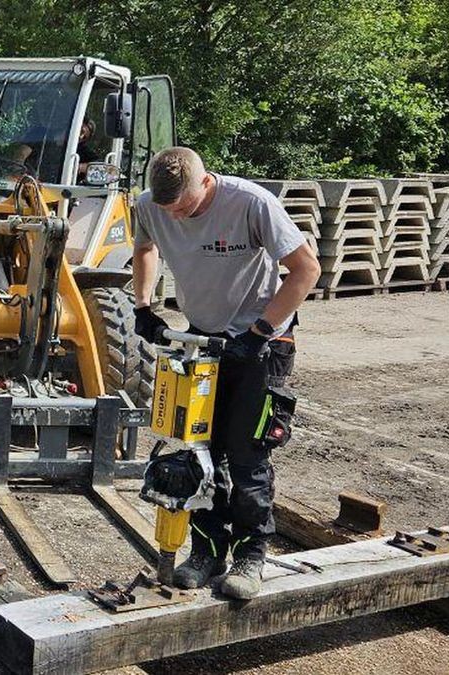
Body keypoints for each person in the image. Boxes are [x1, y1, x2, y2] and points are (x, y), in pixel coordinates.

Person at [130, 147, 320, 600]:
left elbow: (306, 269)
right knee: (199, 450)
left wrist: (258, 333)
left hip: (261, 344)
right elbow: (144, 249)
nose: (176, 217)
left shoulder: (250, 203)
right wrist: (142, 307)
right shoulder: (148, 205)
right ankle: (207, 551)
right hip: (205, 340)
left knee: (248, 454)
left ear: (206, 183)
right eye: (167, 210)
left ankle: (251, 557)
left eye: (185, 208)